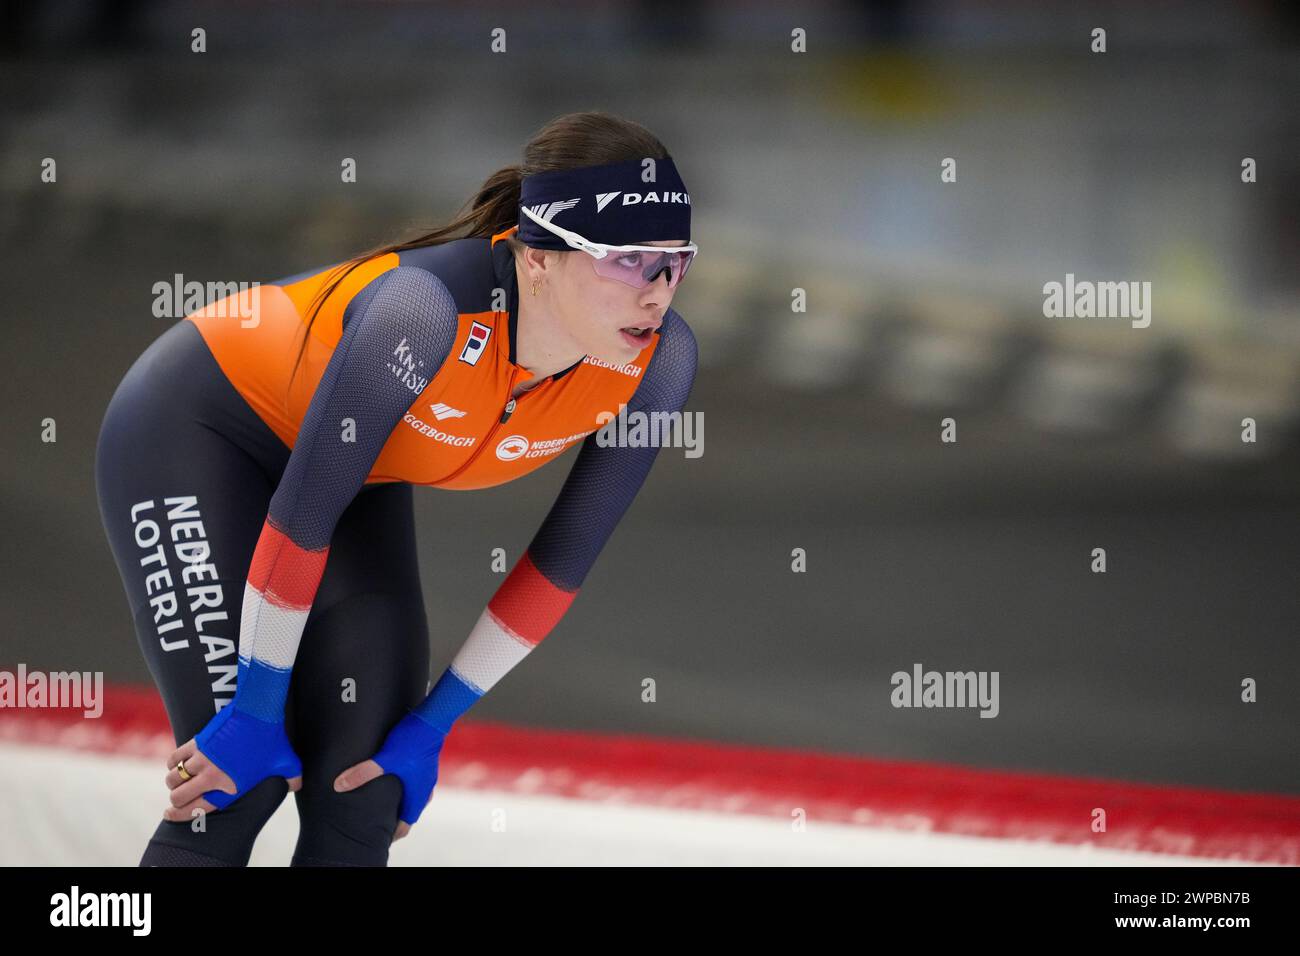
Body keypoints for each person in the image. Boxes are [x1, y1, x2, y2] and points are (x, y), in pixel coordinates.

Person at [93, 111, 699, 866]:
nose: (659, 292)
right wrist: (253, 710)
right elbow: (301, 520)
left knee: (365, 792)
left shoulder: (659, 363)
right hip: (199, 431)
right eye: (629, 261)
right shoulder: (419, 314)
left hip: (351, 472)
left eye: (677, 262)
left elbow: (558, 566)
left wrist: (433, 725)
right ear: (537, 258)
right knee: (230, 785)